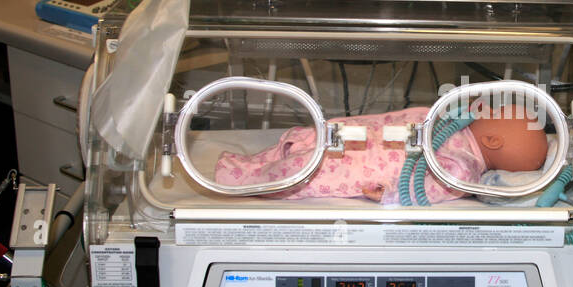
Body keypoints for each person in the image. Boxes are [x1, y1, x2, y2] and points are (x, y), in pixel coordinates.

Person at [213, 103, 549, 203]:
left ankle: (236, 178)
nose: (486, 105)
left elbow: (424, 189)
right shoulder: (451, 123)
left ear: (492, 140)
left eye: (497, 109)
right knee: (295, 144)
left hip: (345, 165)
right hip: (348, 136)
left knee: (293, 172)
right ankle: (252, 165)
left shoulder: (463, 168)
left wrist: (390, 197)